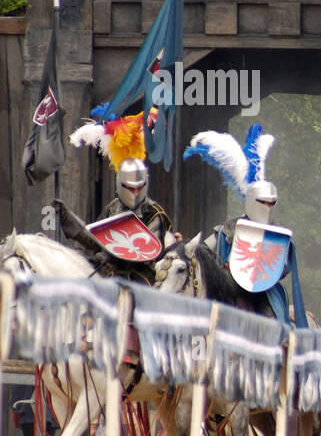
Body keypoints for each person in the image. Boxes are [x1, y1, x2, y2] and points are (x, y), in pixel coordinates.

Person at [184, 124, 308, 328]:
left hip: (264, 295)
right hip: (229, 291)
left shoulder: (277, 234)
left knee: (276, 324)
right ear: (251, 200)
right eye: (263, 202)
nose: (267, 207)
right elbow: (203, 253)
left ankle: (281, 355)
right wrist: (221, 269)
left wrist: (270, 271)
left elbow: (282, 265)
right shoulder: (227, 230)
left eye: (271, 203)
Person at [58, 111, 177, 284]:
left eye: (139, 188)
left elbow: (150, 253)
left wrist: (108, 256)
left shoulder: (154, 213)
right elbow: (95, 239)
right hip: (109, 273)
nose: (135, 193)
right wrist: (70, 222)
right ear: (120, 185)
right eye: (130, 188)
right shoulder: (113, 207)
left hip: (141, 278)